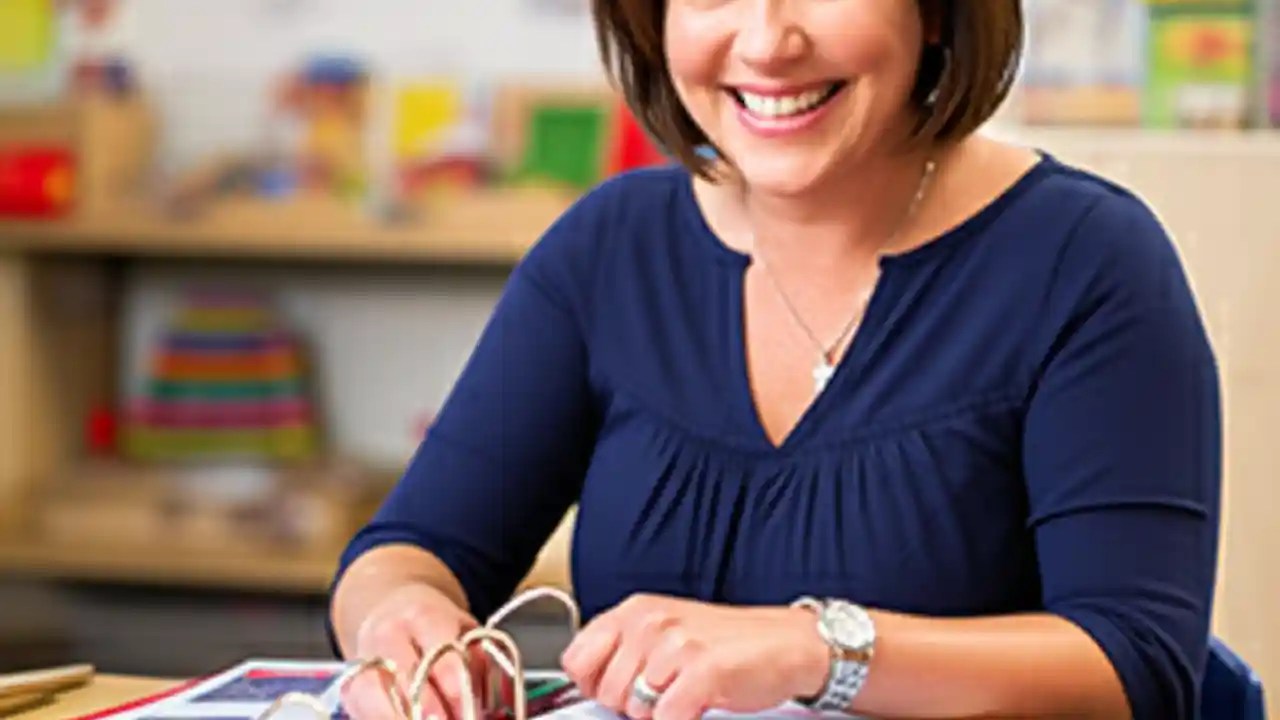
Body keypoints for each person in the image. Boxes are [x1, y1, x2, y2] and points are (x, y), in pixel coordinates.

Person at [329, 1, 1222, 718]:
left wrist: (812, 649)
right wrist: (399, 620)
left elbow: (1134, 664)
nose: (766, 39)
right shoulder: (610, 248)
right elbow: (409, 551)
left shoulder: (1087, 259)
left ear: (940, 14)